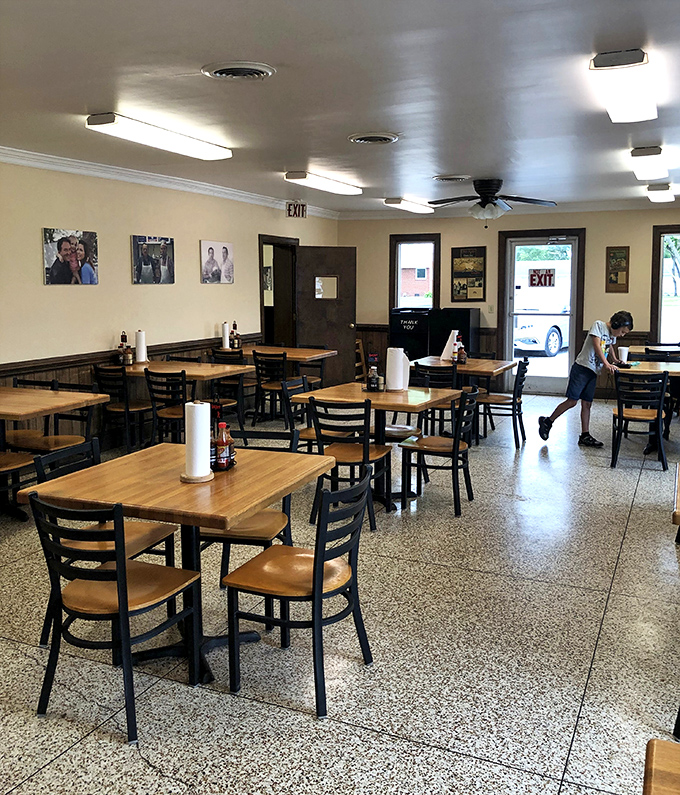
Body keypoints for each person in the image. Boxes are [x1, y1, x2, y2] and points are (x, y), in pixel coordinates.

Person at [538, 310, 634, 448]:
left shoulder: (612, 334)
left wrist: (615, 360)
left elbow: (609, 346)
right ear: (616, 324)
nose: (622, 335)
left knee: (587, 404)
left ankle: (585, 435)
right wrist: (606, 364)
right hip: (582, 368)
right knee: (572, 401)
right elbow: (596, 345)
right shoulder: (599, 325)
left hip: (593, 371)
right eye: (623, 332)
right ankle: (548, 422)